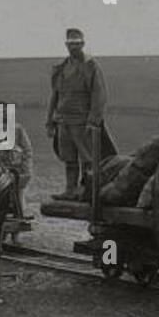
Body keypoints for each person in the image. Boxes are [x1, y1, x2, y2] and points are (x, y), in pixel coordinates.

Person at [46, 27, 108, 201]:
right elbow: (55, 95)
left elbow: (99, 94)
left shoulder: (91, 66)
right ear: (66, 45)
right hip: (63, 121)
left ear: (83, 44)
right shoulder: (60, 67)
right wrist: (50, 121)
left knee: (87, 158)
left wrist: (93, 121)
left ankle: (88, 191)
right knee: (69, 158)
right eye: (70, 44)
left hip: (82, 121)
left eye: (77, 44)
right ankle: (70, 190)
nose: (73, 47)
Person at [0, 102, 34, 220]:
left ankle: (20, 216)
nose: (4, 115)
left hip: (15, 168)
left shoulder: (17, 129)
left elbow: (27, 150)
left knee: (18, 193)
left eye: (6, 112)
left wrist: (27, 169)